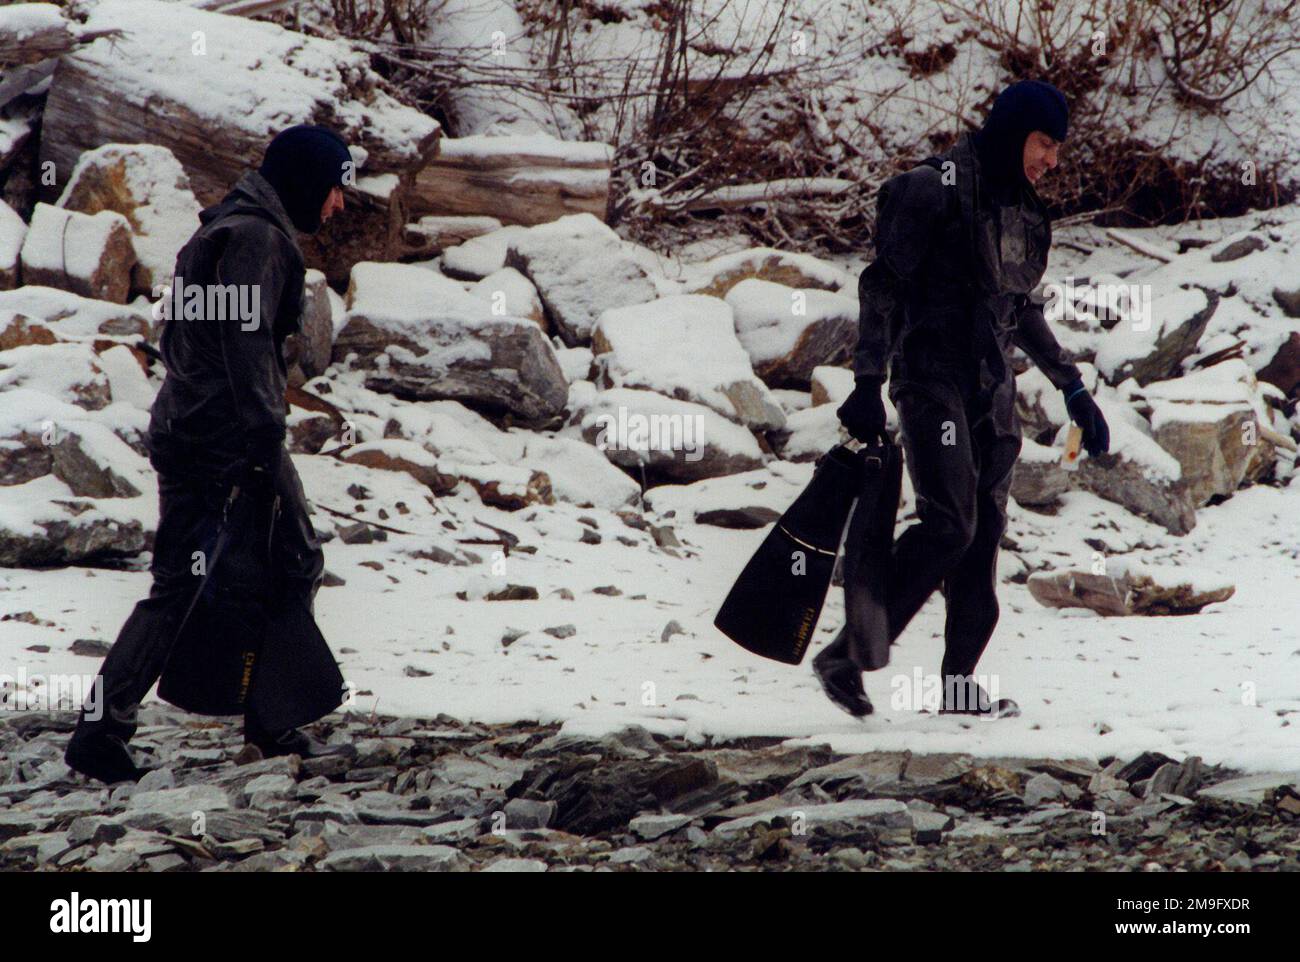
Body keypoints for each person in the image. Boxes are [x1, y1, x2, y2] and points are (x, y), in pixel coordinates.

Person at [814, 80, 1112, 720]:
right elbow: (881, 288)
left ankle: (958, 687)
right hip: (929, 379)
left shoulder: (1026, 211)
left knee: (982, 542)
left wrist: (1073, 387)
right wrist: (866, 382)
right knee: (950, 523)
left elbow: (1022, 307)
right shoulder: (930, 188)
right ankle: (847, 655)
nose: (1051, 161)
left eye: (1057, 148)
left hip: (992, 387)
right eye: (1043, 143)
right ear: (1013, 133)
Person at [64, 125, 353, 783]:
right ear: (308, 181)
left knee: (188, 581)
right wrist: (258, 439)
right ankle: (270, 727)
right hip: (227, 437)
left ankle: (103, 732)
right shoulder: (256, 238)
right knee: (290, 559)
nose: (337, 205)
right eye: (335, 188)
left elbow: (183, 340)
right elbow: (246, 343)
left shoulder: (221, 230)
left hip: (191, 429)